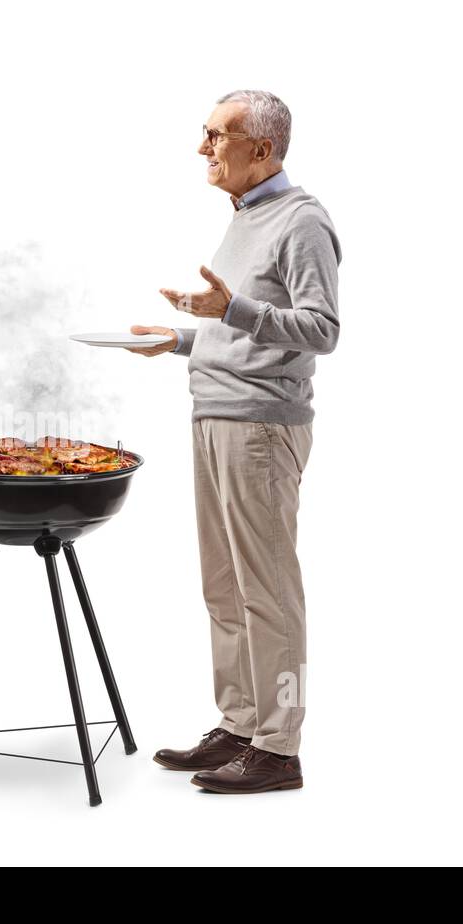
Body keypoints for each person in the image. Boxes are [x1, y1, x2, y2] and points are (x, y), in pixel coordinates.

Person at [131, 90, 341, 794]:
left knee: (268, 590)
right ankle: (241, 724)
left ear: (262, 149)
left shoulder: (302, 221)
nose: (203, 148)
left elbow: (322, 330)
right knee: (224, 587)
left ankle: (278, 748)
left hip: (260, 428)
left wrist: (232, 310)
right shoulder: (246, 216)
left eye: (216, 136)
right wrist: (185, 341)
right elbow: (248, 327)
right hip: (215, 413)